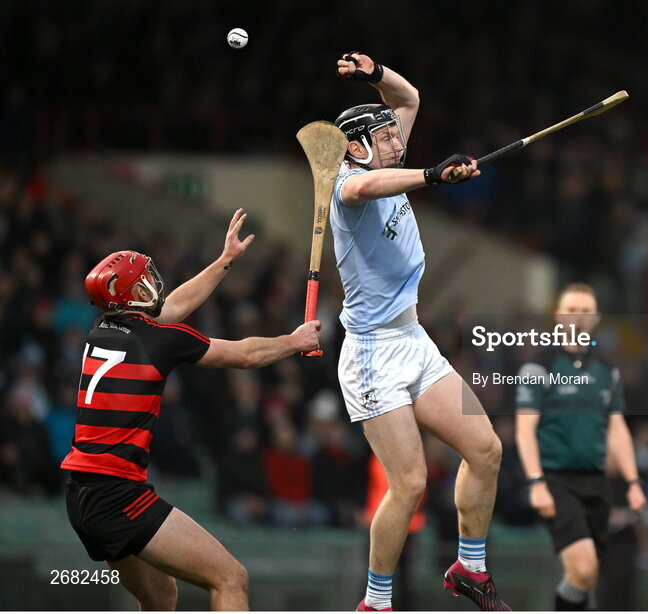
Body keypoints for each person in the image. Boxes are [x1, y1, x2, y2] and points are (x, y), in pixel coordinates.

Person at [61, 210, 321, 611]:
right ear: (132, 296)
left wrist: (224, 260)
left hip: (80, 494)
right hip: (118, 494)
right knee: (230, 578)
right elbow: (246, 355)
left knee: (160, 596)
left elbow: (172, 306)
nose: (153, 285)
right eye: (144, 281)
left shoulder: (102, 329)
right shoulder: (162, 341)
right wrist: (292, 341)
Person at [331, 52, 507, 612]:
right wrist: (434, 174)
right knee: (407, 483)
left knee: (486, 449)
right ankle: (376, 603)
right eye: (383, 138)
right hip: (371, 354)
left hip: (413, 340)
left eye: (392, 136)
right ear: (358, 147)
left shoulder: (386, 149)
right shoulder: (346, 186)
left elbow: (409, 101)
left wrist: (376, 72)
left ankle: (469, 568)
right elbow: (367, 189)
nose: (396, 140)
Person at [515, 283, 646, 610]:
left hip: (597, 481)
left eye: (585, 311)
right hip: (557, 480)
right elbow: (524, 429)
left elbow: (616, 428)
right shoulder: (538, 366)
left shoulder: (607, 371)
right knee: (584, 567)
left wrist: (632, 482)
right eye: (571, 310)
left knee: (585, 577)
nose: (578, 317)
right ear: (558, 316)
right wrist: (536, 483)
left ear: (596, 318)